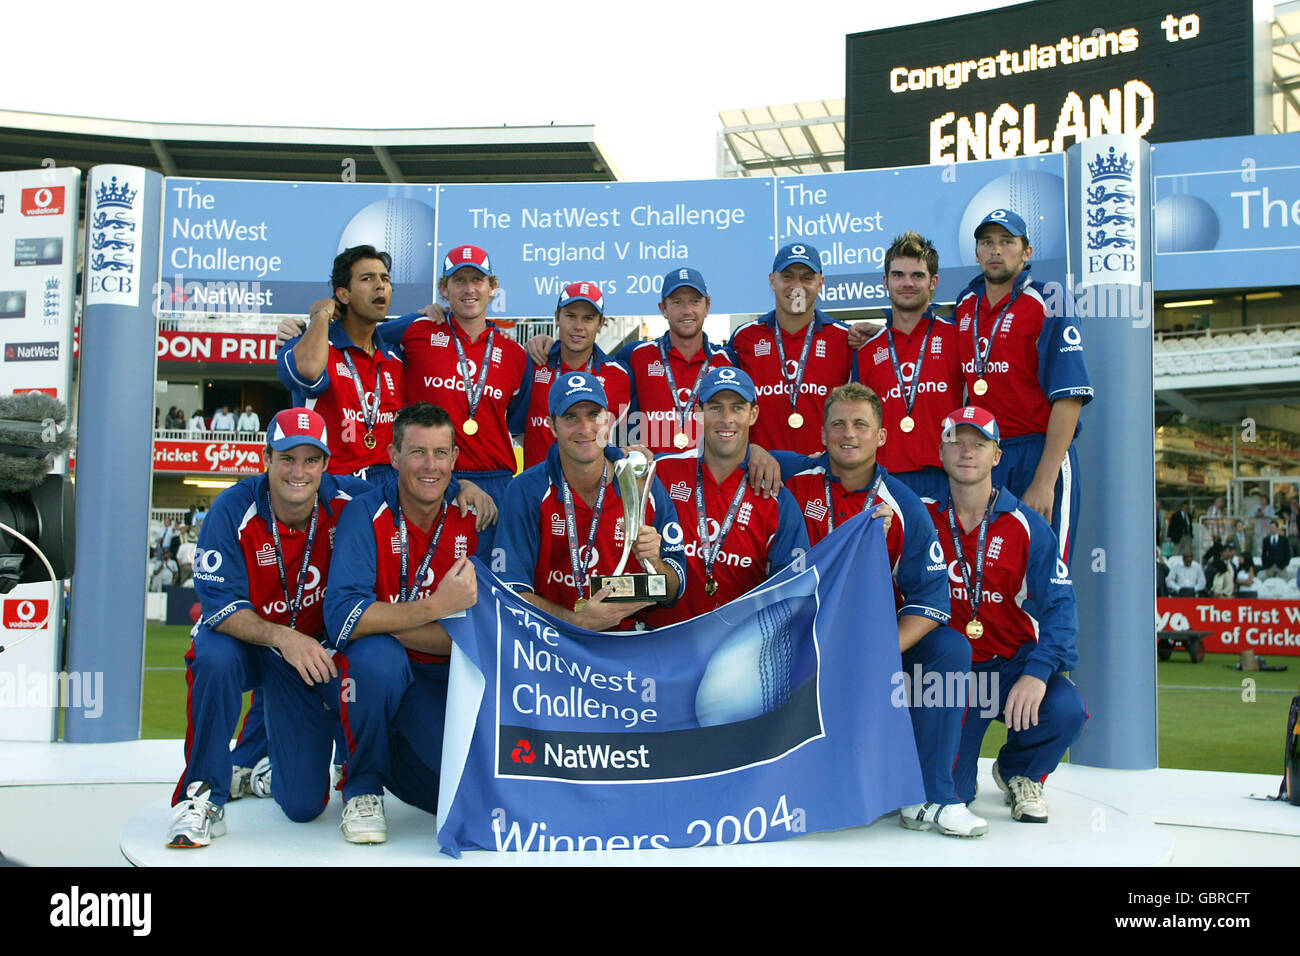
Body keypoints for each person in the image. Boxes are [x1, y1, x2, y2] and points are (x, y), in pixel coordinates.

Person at [770, 383, 983, 836]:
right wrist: (755, 456)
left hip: (870, 643)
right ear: (823, 432)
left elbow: (931, 601)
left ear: (881, 436)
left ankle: (931, 796)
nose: (849, 434)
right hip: (797, 641)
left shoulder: (904, 504)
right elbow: (733, 452)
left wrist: (880, 652)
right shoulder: (790, 480)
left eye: (861, 425)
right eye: (839, 424)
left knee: (950, 650)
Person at [168, 408, 368, 847]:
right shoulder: (232, 508)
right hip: (251, 643)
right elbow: (219, 606)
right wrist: (282, 636)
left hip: (308, 653)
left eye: (310, 460)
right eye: (287, 458)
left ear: (326, 464)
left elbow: (415, 485)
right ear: (267, 458)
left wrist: (466, 487)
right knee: (212, 659)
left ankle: (269, 771)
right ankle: (201, 796)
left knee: (302, 807)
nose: (299, 471)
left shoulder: (351, 500)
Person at [323, 403, 480, 844]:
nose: (430, 466)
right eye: (417, 452)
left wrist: (381, 619)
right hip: (385, 666)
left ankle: (376, 747)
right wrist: (437, 606)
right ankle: (361, 785)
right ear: (392, 455)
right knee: (374, 660)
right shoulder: (363, 514)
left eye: (441, 453)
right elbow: (341, 620)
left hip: (446, 675)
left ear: (454, 459)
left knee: (448, 791)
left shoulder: (474, 516)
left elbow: (480, 635)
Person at [924, 405, 1087, 823]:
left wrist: (1037, 673)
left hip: (1012, 666)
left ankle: (1020, 771)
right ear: (940, 453)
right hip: (951, 678)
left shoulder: (1027, 525)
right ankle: (957, 775)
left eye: (978, 444)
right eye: (955, 443)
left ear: (997, 456)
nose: (966, 452)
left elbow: (1060, 609)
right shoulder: (922, 520)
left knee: (1066, 708)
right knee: (953, 794)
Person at [496, 371, 685, 632]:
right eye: (571, 417)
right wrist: (578, 621)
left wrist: (655, 563)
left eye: (594, 416)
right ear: (552, 425)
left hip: (628, 643)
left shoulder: (643, 483)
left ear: (608, 421)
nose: (585, 429)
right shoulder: (526, 490)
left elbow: (674, 588)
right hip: (552, 643)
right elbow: (510, 592)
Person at [954, 209, 1092, 562]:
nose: (995, 250)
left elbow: (1069, 398)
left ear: (1026, 252)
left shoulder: (1050, 300)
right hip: (986, 456)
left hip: (1039, 452)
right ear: (977, 253)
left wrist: (1044, 480)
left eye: (1006, 242)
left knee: (1045, 573)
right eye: (987, 242)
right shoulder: (964, 305)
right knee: (988, 573)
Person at [640, 367, 809, 629]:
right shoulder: (661, 472)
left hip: (736, 655)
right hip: (660, 644)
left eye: (737, 408)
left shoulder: (775, 497)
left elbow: (792, 593)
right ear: (698, 413)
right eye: (716, 408)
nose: (726, 419)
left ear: (753, 414)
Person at [399, 244, 528, 556]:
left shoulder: (515, 354)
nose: (469, 289)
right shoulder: (417, 333)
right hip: (434, 477)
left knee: (491, 589)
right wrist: (297, 329)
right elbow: (361, 333)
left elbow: (515, 423)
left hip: (496, 484)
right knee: (428, 584)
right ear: (444, 289)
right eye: (459, 280)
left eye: (478, 280)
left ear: (492, 288)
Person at [849, 232, 964, 500]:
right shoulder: (866, 350)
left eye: (918, 275)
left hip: (947, 479)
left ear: (934, 282)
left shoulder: (957, 337)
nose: (907, 283)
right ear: (885, 282)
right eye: (898, 275)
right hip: (885, 482)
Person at [278, 245, 406, 484]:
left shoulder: (396, 357)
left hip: (388, 486)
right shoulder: (310, 345)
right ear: (343, 295)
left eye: (385, 279)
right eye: (367, 278)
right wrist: (322, 314)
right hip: (332, 484)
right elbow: (307, 371)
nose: (380, 285)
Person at [727, 242, 853, 455]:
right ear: (772, 281)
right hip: (760, 474)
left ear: (821, 282)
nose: (797, 286)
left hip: (825, 473)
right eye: (787, 276)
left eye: (807, 277)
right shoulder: (744, 338)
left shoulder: (844, 338)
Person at [510, 281, 631, 469]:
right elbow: (518, 428)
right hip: (539, 490)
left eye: (588, 318)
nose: (578, 326)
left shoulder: (619, 376)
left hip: (593, 491)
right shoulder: (533, 364)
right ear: (557, 317)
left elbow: (620, 439)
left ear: (601, 322)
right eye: (571, 316)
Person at [615, 268, 734, 455]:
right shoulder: (635, 355)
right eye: (677, 302)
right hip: (653, 480)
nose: (687, 311)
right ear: (663, 308)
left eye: (695, 301)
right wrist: (553, 347)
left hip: (707, 480)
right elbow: (593, 367)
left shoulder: (728, 361)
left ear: (707, 306)